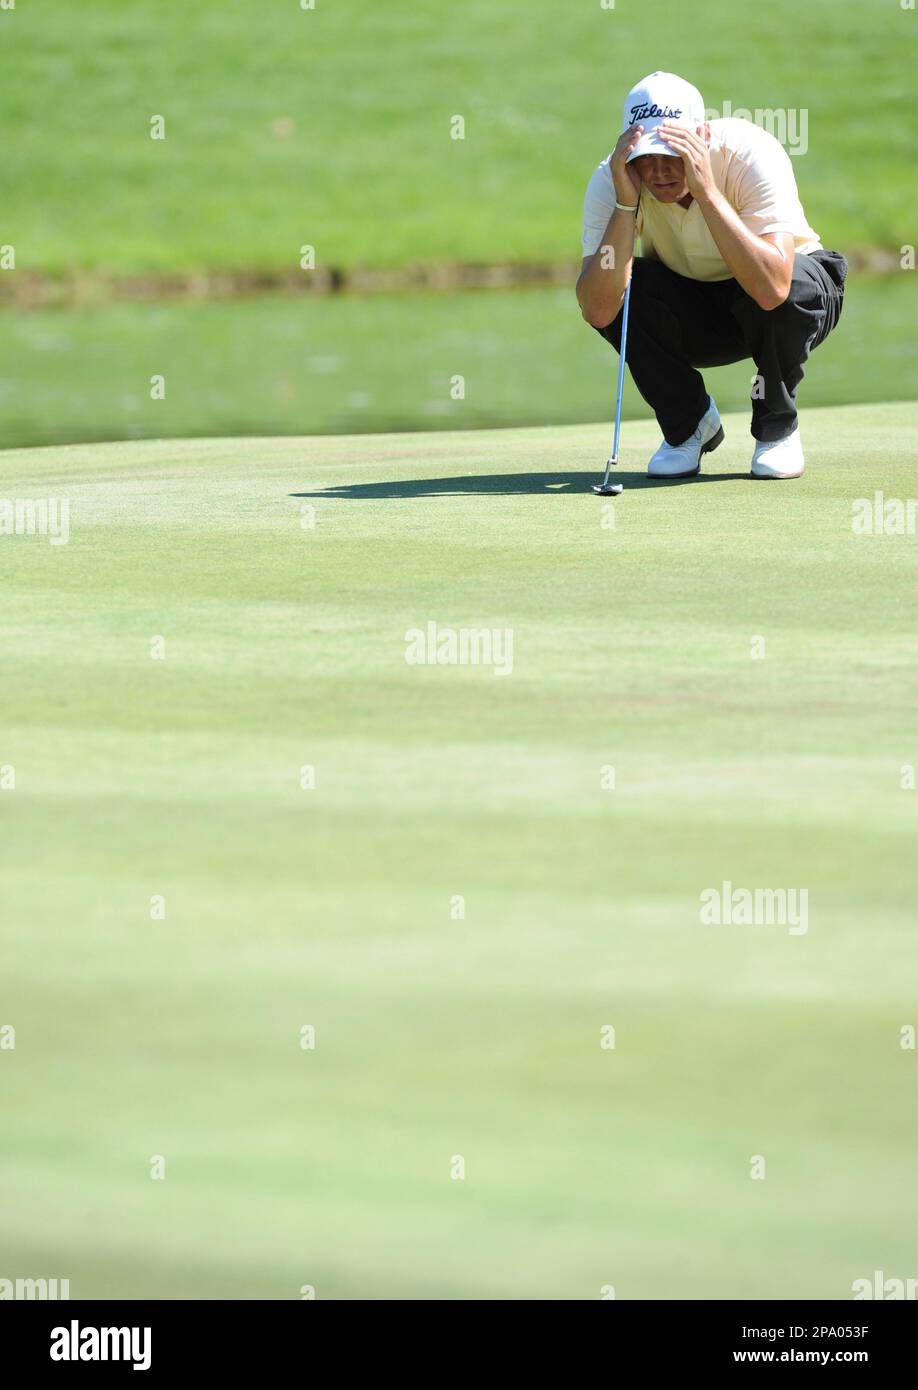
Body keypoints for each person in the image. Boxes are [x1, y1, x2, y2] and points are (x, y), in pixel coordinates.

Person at [576, 72, 847, 479]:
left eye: (674, 153)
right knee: (621, 286)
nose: (660, 171)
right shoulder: (613, 180)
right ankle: (689, 426)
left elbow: (773, 288)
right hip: (698, 308)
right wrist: (625, 208)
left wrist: (706, 192)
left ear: (701, 136)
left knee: (790, 285)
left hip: (790, 303)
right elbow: (597, 308)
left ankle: (776, 430)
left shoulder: (750, 152)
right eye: (647, 156)